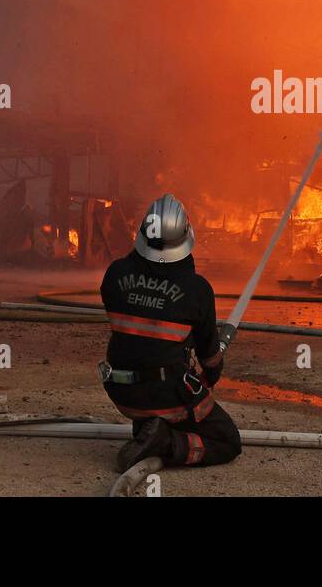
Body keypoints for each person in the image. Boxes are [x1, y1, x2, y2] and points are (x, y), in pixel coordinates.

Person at [98, 193, 241, 472]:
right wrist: (208, 379)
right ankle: (165, 443)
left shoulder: (115, 274)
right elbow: (210, 357)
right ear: (186, 237)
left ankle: (150, 429)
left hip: (122, 392)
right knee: (227, 440)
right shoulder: (197, 290)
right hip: (164, 395)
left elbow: (141, 329)